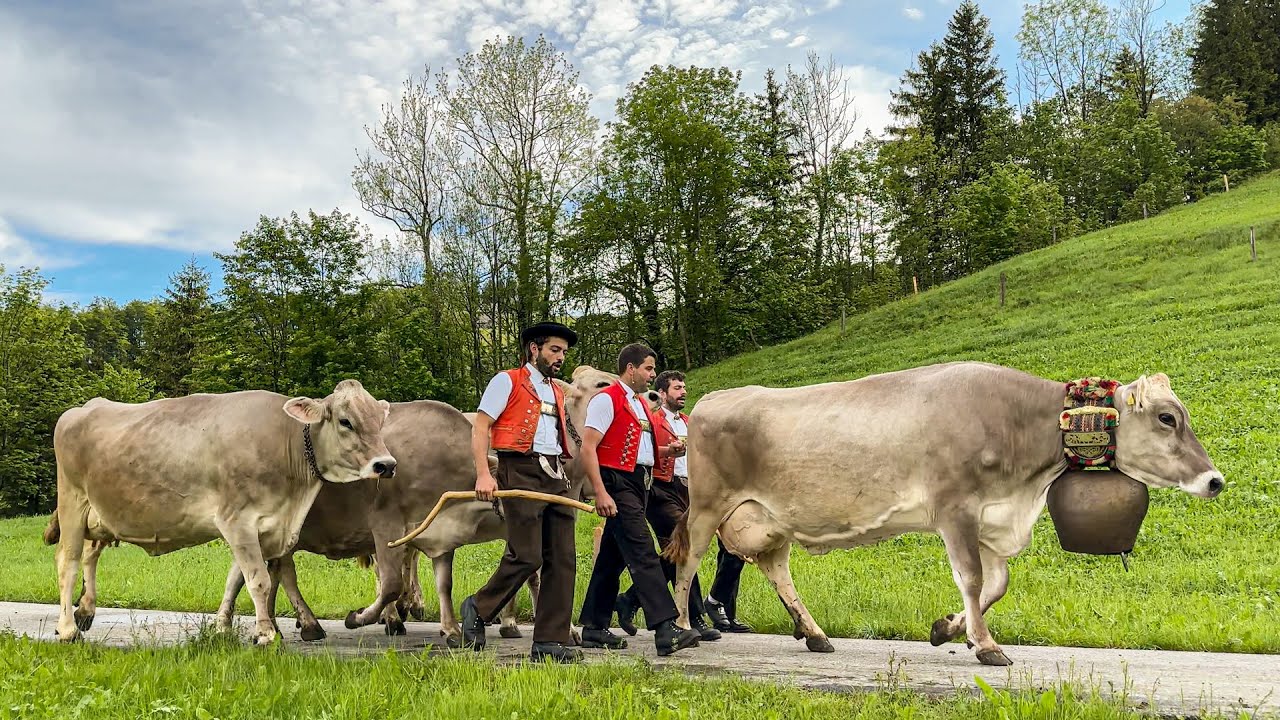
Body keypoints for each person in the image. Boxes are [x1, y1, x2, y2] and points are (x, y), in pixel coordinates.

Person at [461, 321, 582, 663]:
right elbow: (481, 425)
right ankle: (478, 606)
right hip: (520, 470)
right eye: (554, 350)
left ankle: (549, 642)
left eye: (563, 352)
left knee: (563, 557)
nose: (560, 358)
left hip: (554, 473)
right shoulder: (507, 381)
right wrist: (484, 474)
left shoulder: (557, 391)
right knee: (527, 555)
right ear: (534, 348)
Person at [576, 343, 702, 657]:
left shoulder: (639, 404)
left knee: (611, 557)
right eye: (648, 368)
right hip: (617, 483)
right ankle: (665, 628)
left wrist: (665, 452)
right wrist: (601, 492)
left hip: (638, 481)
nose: (652, 375)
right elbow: (589, 448)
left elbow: (635, 448)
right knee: (644, 551)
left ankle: (593, 625)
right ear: (630, 369)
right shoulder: (607, 399)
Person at [613, 371, 721, 641]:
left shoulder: (689, 421)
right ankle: (694, 615)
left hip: (688, 489)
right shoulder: (653, 419)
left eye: (684, 387)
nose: (683, 392)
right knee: (685, 546)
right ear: (662, 393)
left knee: (677, 551)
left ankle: (630, 598)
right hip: (661, 486)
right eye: (676, 388)